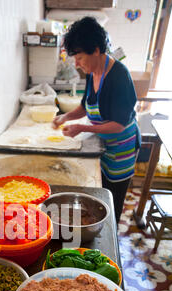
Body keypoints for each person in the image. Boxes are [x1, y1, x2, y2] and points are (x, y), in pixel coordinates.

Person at [52, 16, 141, 224]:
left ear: (96, 50)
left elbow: (118, 124)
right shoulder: (92, 72)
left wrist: (81, 127)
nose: (76, 64)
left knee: (113, 199)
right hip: (103, 144)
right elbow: (85, 106)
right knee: (100, 192)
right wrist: (64, 117)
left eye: (79, 57)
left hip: (122, 149)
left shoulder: (119, 76)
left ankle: (110, 235)